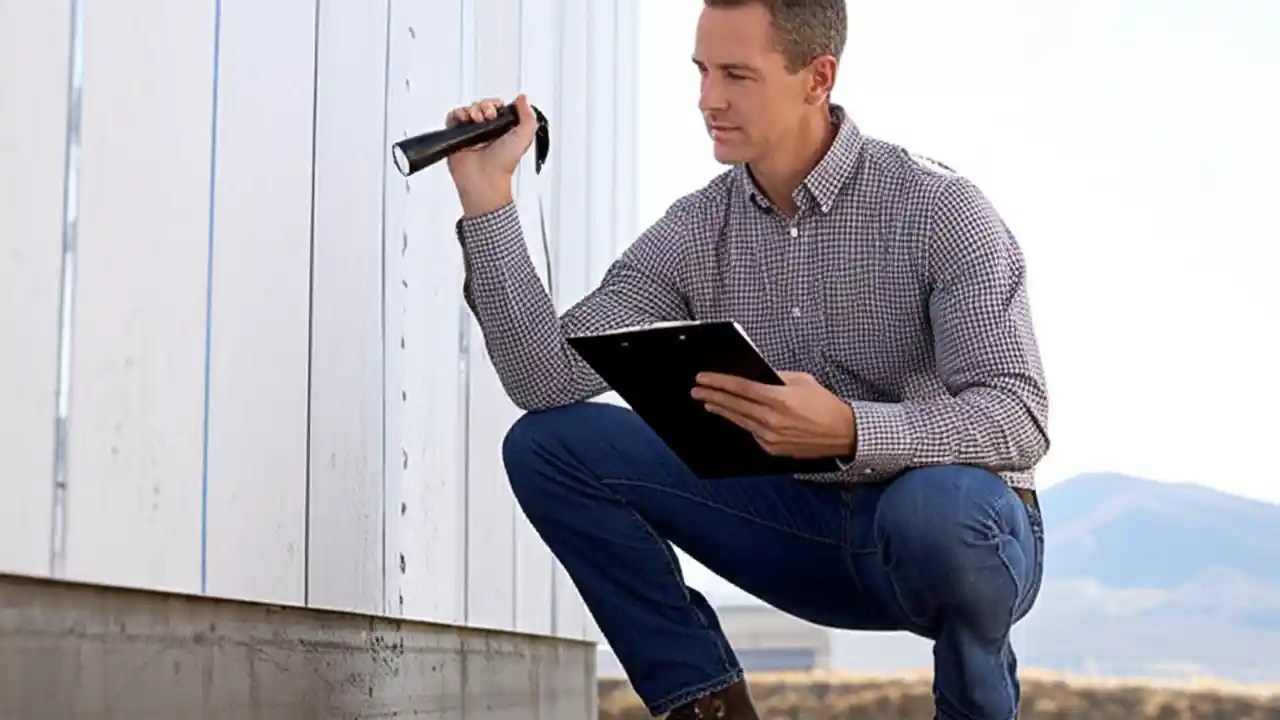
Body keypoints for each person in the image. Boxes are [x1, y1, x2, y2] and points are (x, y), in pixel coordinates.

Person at [445, 0, 1048, 717]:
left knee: (940, 510)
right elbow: (544, 379)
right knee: (551, 446)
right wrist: (487, 198)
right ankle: (705, 704)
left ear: (817, 77)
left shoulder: (937, 209)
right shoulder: (694, 230)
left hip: (944, 539)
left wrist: (851, 430)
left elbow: (1017, 417)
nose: (708, 99)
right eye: (701, 71)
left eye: (736, 75)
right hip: (797, 529)